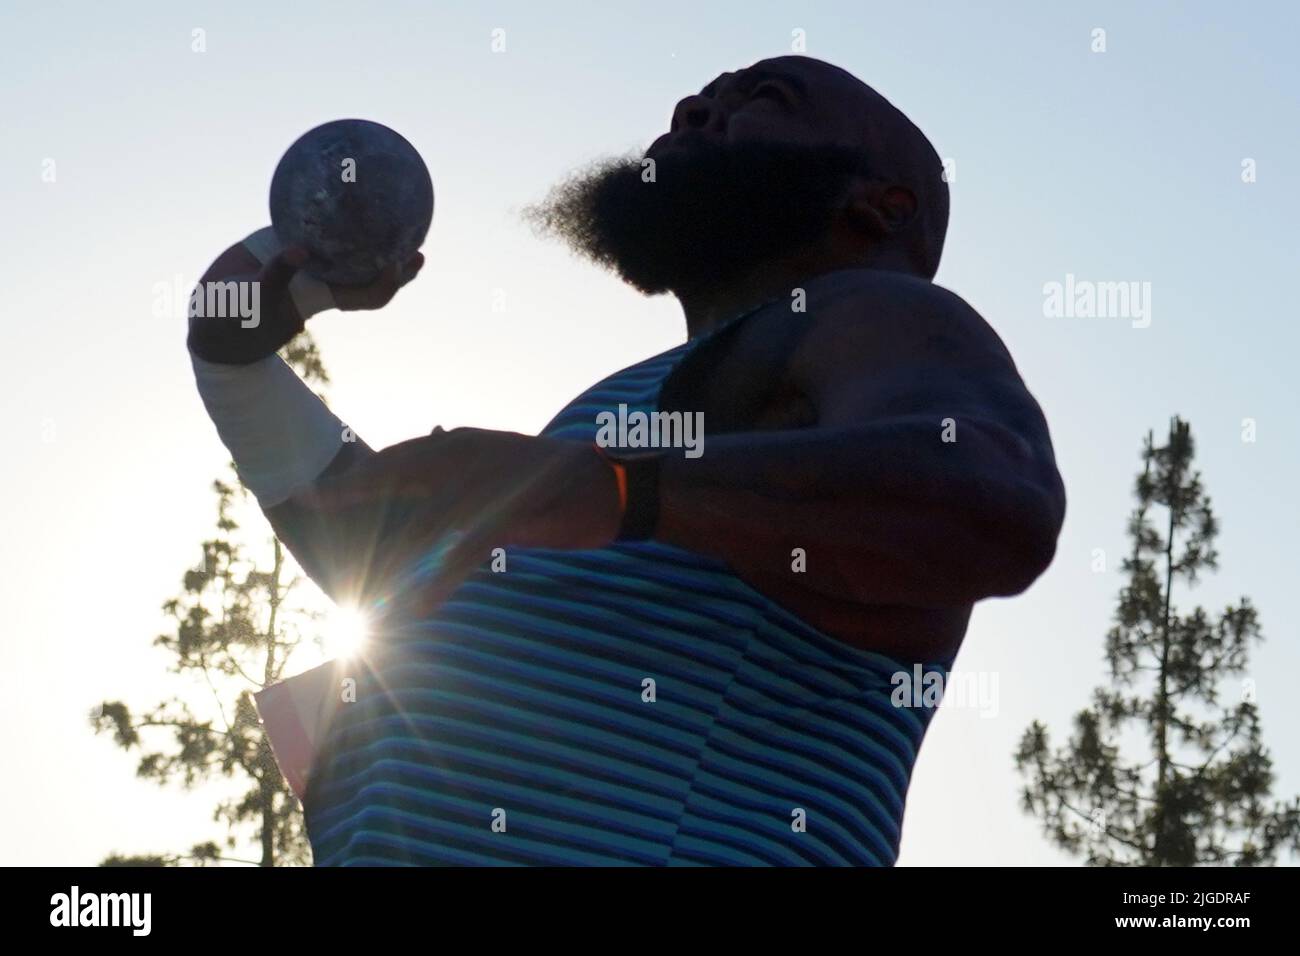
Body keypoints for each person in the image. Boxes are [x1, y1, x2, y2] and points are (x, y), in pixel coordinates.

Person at [188, 55, 1065, 865]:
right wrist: (234, 364)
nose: (692, 106)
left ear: (884, 204)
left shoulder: (873, 314)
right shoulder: (640, 410)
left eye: (760, 99)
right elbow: (379, 555)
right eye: (699, 96)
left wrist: (609, 485)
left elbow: (995, 496)